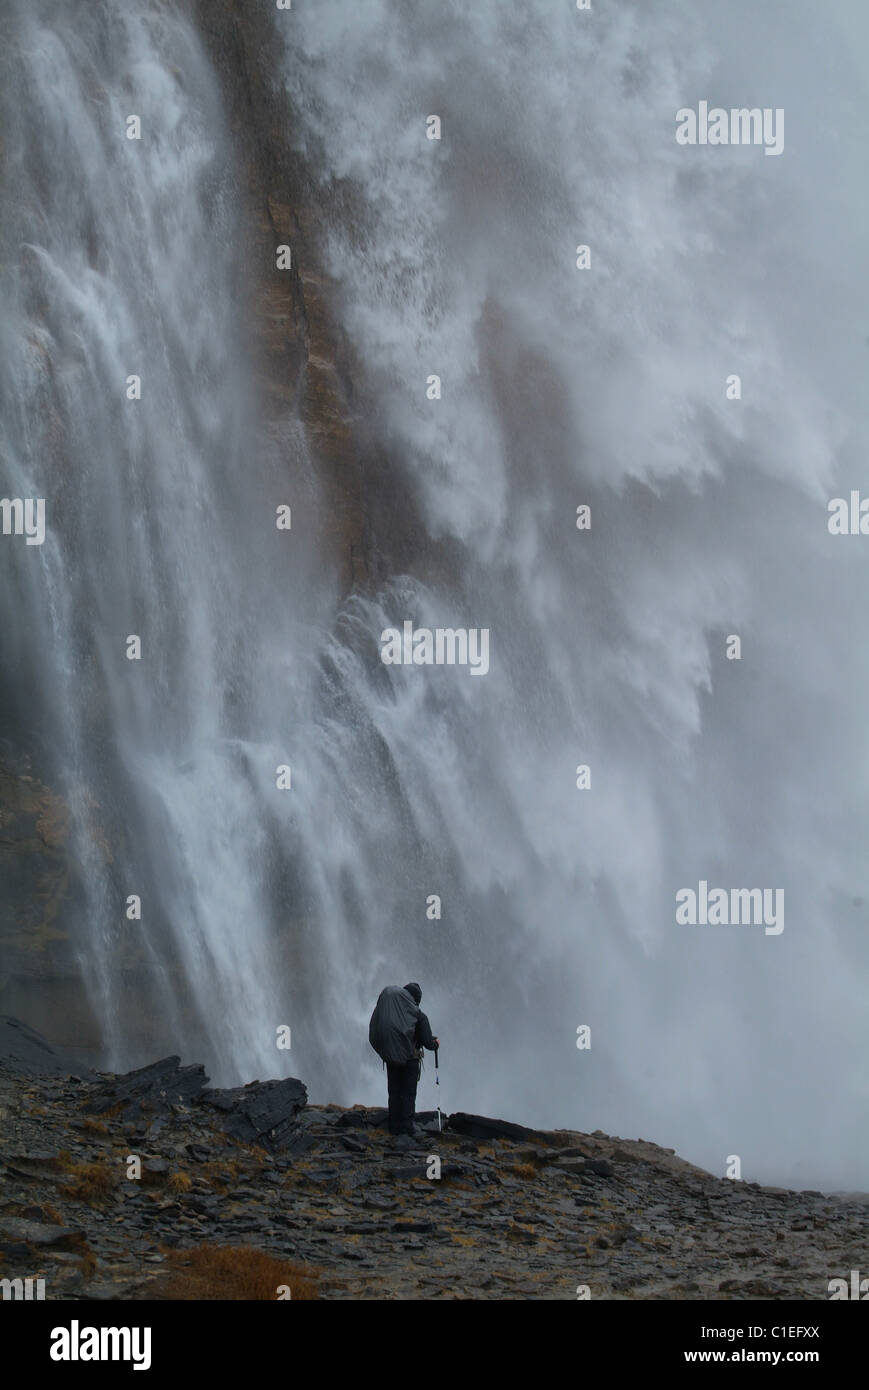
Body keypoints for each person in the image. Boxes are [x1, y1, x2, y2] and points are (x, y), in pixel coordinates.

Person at [386, 982, 438, 1139]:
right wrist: (435, 1043)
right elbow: (428, 1042)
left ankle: (393, 1126)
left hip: (393, 1059)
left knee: (394, 1092)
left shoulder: (391, 1013)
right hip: (410, 1061)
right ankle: (407, 1127)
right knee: (408, 1094)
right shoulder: (418, 1015)